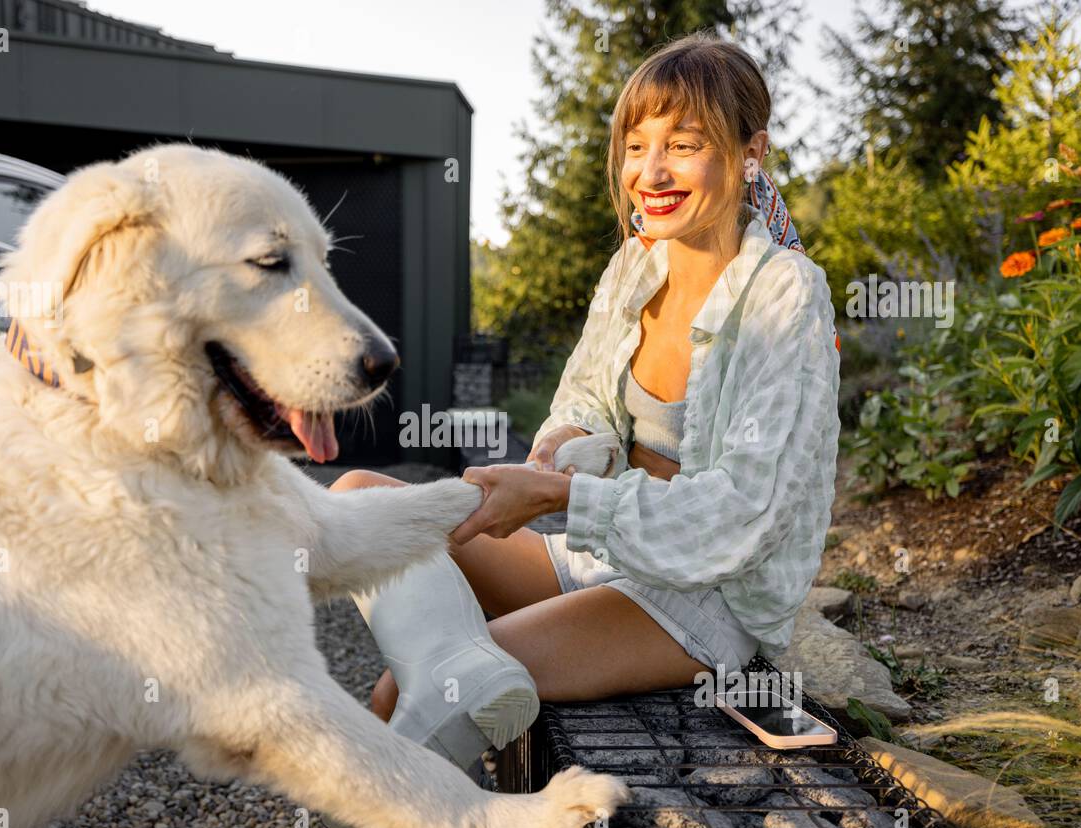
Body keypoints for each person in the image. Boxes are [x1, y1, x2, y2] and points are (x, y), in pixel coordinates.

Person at [329, 32, 841, 776]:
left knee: (419, 689)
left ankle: (450, 768)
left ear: (750, 152)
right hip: (604, 557)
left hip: (702, 599)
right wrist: (561, 445)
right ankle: (456, 677)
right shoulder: (635, 266)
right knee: (356, 502)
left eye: (684, 144)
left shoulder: (784, 293)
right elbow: (585, 401)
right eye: (637, 146)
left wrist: (563, 494)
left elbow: (743, 514)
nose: (651, 172)